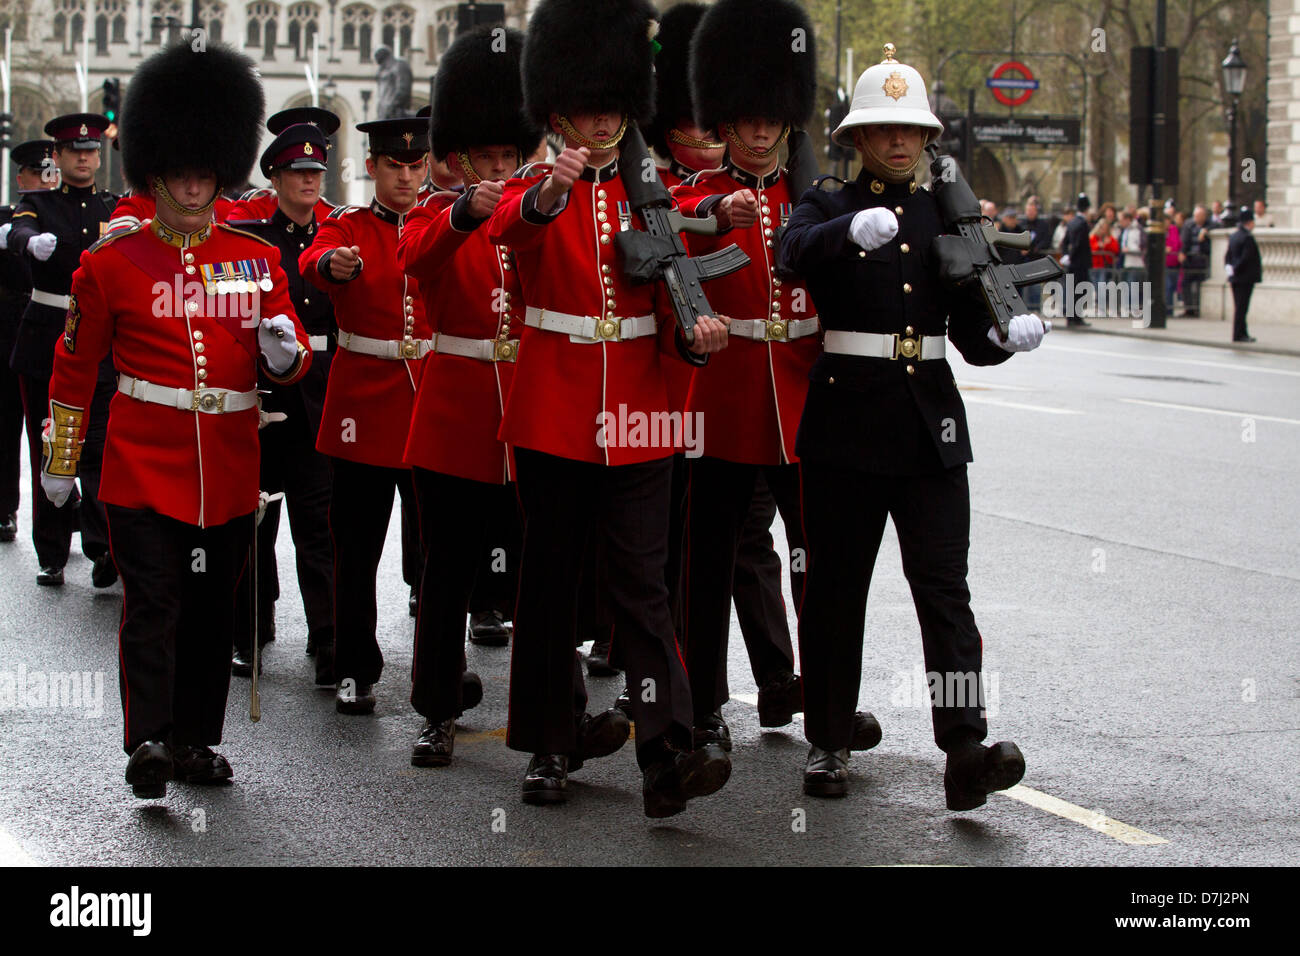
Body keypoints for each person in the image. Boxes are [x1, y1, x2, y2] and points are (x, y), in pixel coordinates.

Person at [41, 42, 311, 799]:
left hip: (226, 465)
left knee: (207, 610)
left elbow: (288, 359)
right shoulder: (112, 264)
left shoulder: (254, 259)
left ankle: (196, 741)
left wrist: (283, 354)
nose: (194, 187)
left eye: (206, 173)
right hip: (140, 463)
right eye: (181, 174)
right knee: (152, 603)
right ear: (155, 175)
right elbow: (74, 363)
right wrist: (61, 458)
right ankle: (150, 739)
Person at [779, 42, 1043, 806]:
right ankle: (828, 739)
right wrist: (842, 234)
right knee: (835, 590)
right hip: (846, 426)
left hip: (931, 429)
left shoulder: (942, 213)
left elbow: (960, 332)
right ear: (858, 137)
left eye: (912, 131)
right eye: (884, 129)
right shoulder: (828, 201)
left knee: (944, 589)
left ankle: (965, 747)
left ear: (927, 140)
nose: (899, 142)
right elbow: (789, 253)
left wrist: (1001, 336)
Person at [486, 0, 732, 817]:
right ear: (558, 113)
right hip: (555, 405)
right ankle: (552, 744)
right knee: (551, 585)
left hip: (640, 410)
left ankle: (667, 748)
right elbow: (510, 236)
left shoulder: (650, 195)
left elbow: (670, 293)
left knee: (642, 590)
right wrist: (549, 193)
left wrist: (695, 336)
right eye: (588, 109)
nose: (602, 122)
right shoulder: (533, 190)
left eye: (614, 108)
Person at [671, 0, 817, 749]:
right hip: (721, 396)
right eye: (746, 119)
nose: (760, 131)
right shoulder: (694, 198)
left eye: (772, 119)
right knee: (706, 558)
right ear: (723, 123)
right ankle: (701, 706)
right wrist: (712, 214)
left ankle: (824, 698)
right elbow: (670, 230)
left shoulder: (817, 200)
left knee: (815, 559)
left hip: (801, 396)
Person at [397, 25, 540, 767]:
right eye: (485, 157)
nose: (497, 167)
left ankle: (558, 712)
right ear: (458, 159)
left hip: (526, 411)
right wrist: (464, 215)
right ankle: (437, 710)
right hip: (454, 412)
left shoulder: (537, 211)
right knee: (446, 572)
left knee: (538, 575)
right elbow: (415, 259)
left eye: (508, 155)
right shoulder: (434, 211)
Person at [300, 115, 430, 716]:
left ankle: (438, 670)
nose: (405, 178)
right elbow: (316, 258)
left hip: (430, 398)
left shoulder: (444, 220)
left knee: (435, 552)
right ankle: (354, 666)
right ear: (373, 167)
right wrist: (331, 268)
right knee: (357, 547)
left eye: (415, 166)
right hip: (363, 406)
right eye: (394, 167)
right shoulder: (347, 224)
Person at [226, 121, 339, 685]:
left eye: (316, 172)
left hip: (319, 385)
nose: (309, 181)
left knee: (320, 521)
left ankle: (327, 635)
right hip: (265, 388)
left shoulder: (337, 234)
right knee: (257, 517)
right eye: (298, 172)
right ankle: (252, 627)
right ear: (274, 177)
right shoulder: (248, 238)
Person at [7, 113, 118, 587]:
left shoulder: (114, 208)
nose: (83, 158)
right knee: (49, 443)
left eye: (90, 151)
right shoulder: (39, 202)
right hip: (46, 335)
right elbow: (17, 230)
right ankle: (51, 550)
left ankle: (100, 546)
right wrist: (31, 244)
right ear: (57, 157)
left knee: (98, 446)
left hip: (99, 341)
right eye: (74, 151)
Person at [0, 140, 55, 545]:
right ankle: (4, 507)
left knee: (56, 432)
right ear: (21, 178)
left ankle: (64, 517)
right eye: (37, 173)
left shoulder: (70, 215)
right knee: (5, 425)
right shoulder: (8, 216)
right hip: (7, 328)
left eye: (50, 172)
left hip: (54, 330)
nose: (45, 180)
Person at [226, 107, 341, 222]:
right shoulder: (251, 212)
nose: (309, 179)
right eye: (298, 171)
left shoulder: (335, 218)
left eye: (314, 170)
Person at [1225, 205, 1262, 343]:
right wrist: (1236, 268)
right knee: (1242, 308)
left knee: (1239, 306)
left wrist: (1230, 268)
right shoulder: (1247, 238)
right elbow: (1246, 258)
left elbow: (1228, 256)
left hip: (1235, 278)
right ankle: (1238, 334)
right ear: (1249, 222)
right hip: (1244, 278)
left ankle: (1242, 332)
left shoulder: (1234, 236)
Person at [1063, 193, 1092, 327]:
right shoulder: (1082, 223)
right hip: (1080, 263)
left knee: (1071, 290)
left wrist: (1066, 256)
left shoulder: (1072, 222)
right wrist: (1072, 255)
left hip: (1071, 263)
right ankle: (1076, 317)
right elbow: (1078, 243)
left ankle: (1070, 317)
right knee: (1080, 290)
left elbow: (1065, 242)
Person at [1179, 204, 1211, 317]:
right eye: (1195, 215)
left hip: (1202, 259)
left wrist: (1205, 235)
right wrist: (1182, 252)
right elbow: (1184, 241)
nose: (1196, 218)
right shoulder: (1188, 225)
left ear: (1204, 216)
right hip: (1190, 259)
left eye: (1199, 215)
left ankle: (1197, 308)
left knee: (1199, 285)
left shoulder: (1210, 225)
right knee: (1185, 284)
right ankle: (1189, 309)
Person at [1089, 217, 1118, 288]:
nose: (1103, 231)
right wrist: (1097, 245)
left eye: (1105, 228)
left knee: (1101, 285)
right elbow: (1089, 248)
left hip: (1105, 266)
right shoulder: (1093, 237)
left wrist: (1108, 244)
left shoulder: (1110, 238)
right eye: (1102, 228)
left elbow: (1116, 250)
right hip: (1094, 265)